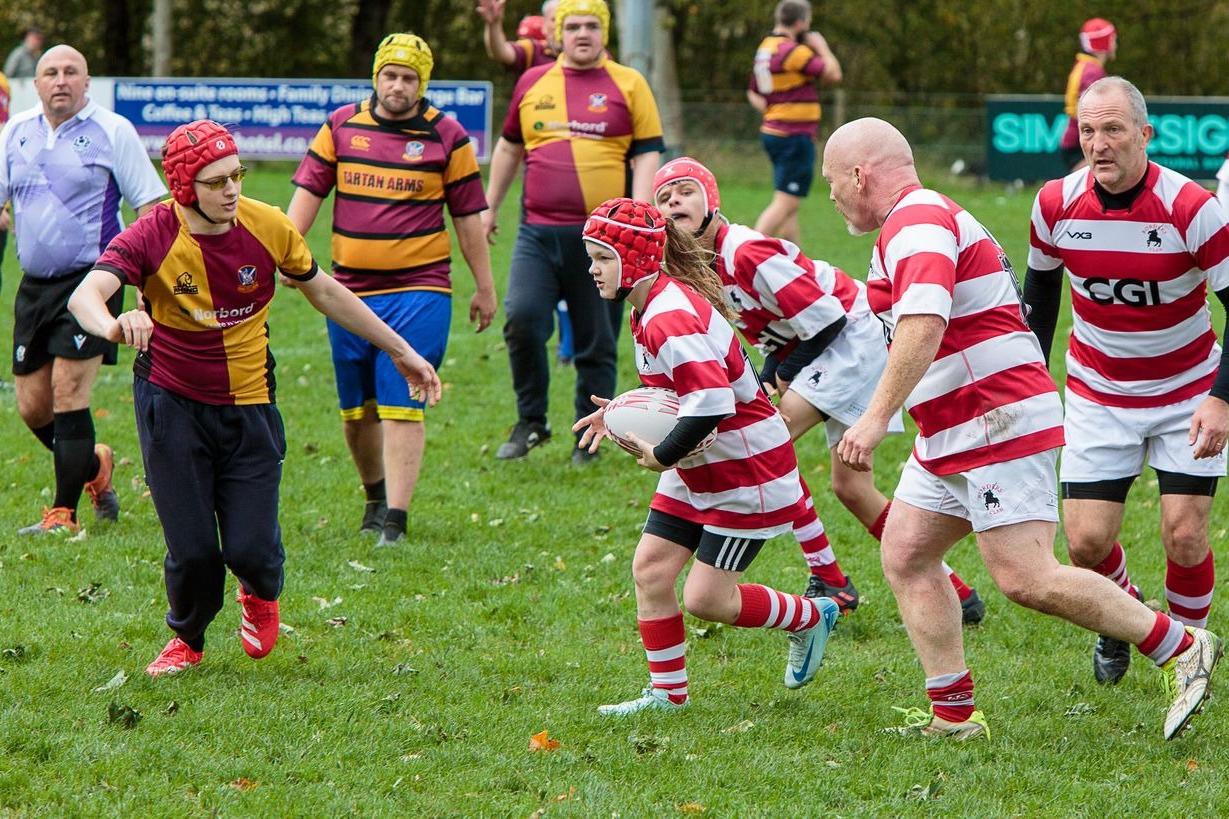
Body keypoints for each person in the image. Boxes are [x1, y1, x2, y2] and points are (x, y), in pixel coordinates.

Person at [824, 116, 1221, 741]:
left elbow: (924, 323)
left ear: (859, 173)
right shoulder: (913, 222)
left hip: (991, 418)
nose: (832, 198)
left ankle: (1179, 644)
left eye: (832, 183)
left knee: (1025, 578)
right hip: (957, 424)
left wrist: (874, 421)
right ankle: (954, 717)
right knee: (904, 552)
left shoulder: (917, 218)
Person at [68, 120, 442, 677]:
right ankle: (187, 638)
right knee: (192, 551)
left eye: (236, 175)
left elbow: (324, 290)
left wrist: (398, 349)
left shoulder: (268, 225)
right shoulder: (152, 233)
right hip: (170, 403)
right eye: (216, 181)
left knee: (251, 550)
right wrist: (115, 321)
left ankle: (260, 592)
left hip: (249, 402)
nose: (232, 189)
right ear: (184, 186)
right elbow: (86, 295)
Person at [653, 156, 987, 623]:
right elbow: (783, 333)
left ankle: (830, 578)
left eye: (685, 192)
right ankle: (958, 591)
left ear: (711, 199)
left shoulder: (745, 251)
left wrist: (779, 376)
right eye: (664, 199)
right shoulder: (700, 268)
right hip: (831, 347)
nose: (674, 203)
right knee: (850, 486)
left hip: (852, 338)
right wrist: (768, 375)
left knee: (765, 440)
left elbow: (824, 319)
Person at [573, 197, 840, 715]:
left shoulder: (670, 316)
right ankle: (668, 696)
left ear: (633, 259)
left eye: (602, 257)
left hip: (747, 468)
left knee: (707, 600)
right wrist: (623, 411)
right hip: (703, 459)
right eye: (591, 256)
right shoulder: (649, 306)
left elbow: (713, 403)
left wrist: (662, 455)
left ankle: (810, 615)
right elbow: (679, 393)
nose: (592, 268)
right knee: (651, 571)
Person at [1025, 76, 1229, 686]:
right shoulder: (1056, 203)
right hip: (1096, 391)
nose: (1099, 144)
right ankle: (1129, 618)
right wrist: (1030, 381)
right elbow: (1039, 292)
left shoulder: (1192, 208)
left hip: (1189, 391)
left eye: (1113, 129)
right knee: (1085, 546)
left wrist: (1220, 400)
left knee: (1185, 533)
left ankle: (1189, 661)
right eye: (1088, 131)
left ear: (1145, 133)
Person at [288, 33, 496, 547]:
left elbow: (470, 220)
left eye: (409, 78)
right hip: (348, 293)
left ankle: (397, 521)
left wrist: (485, 287)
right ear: (376, 76)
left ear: (422, 84)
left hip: (420, 289)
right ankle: (374, 498)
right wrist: (287, 256)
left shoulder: (449, 136)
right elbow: (305, 198)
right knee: (356, 411)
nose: (398, 86)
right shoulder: (340, 126)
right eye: (390, 75)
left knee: (403, 399)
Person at [484, 0, 664, 465]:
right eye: (573, 26)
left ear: (604, 32)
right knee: (522, 320)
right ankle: (531, 422)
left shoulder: (630, 83)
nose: (582, 34)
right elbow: (508, 148)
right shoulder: (532, 82)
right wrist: (489, 207)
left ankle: (591, 436)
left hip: (606, 242)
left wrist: (640, 212)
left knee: (596, 343)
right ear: (557, 33)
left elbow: (647, 152)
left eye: (591, 25)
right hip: (537, 234)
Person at [0, 44, 166, 535]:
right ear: (37, 83)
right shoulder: (15, 132)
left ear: (87, 81)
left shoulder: (113, 131)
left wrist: (147, 282)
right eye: (51, 72)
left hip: (92, 281)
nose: (60, 80)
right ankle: (94, 466)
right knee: (32, 406)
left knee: (69, 391)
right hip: (34, 286)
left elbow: (151, 207)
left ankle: (62, 514)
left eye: (71, 72)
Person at [475, 0, 575, 365]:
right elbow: (501, 51)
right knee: (539, 278)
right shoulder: (537, 55)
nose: (556, 26)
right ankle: (562, 343)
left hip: (587, 192)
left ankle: (574, 342)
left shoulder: (598, 61)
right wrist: (493, 24)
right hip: (541, 181)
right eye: (551, 20)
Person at [747, 0, 841, 246]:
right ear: (800, 22)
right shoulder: (793, 51)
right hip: (793, 135)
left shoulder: (765, 49)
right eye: (808, 21)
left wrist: (773, 110)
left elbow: (753, 92)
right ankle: (745, 254)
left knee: (791, 204)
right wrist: (822, 47)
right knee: (785, 203)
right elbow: (833, 74)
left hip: (773, 132)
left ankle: (797, 262)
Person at [1057, 18, 1116, 171]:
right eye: (1113, 39)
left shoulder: (1083, 66)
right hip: (1079, 144)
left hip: (1074, 141)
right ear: (1103, 43)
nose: (1115, 44)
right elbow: (1093, 113)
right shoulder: (1093, 72)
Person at [477, 0, 561, 74]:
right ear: (544, 26)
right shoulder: (533, 51)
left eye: (564, 19)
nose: (559, 24)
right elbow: (502, 51)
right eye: (554, 19)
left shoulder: (574, 58)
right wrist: (494, 25)